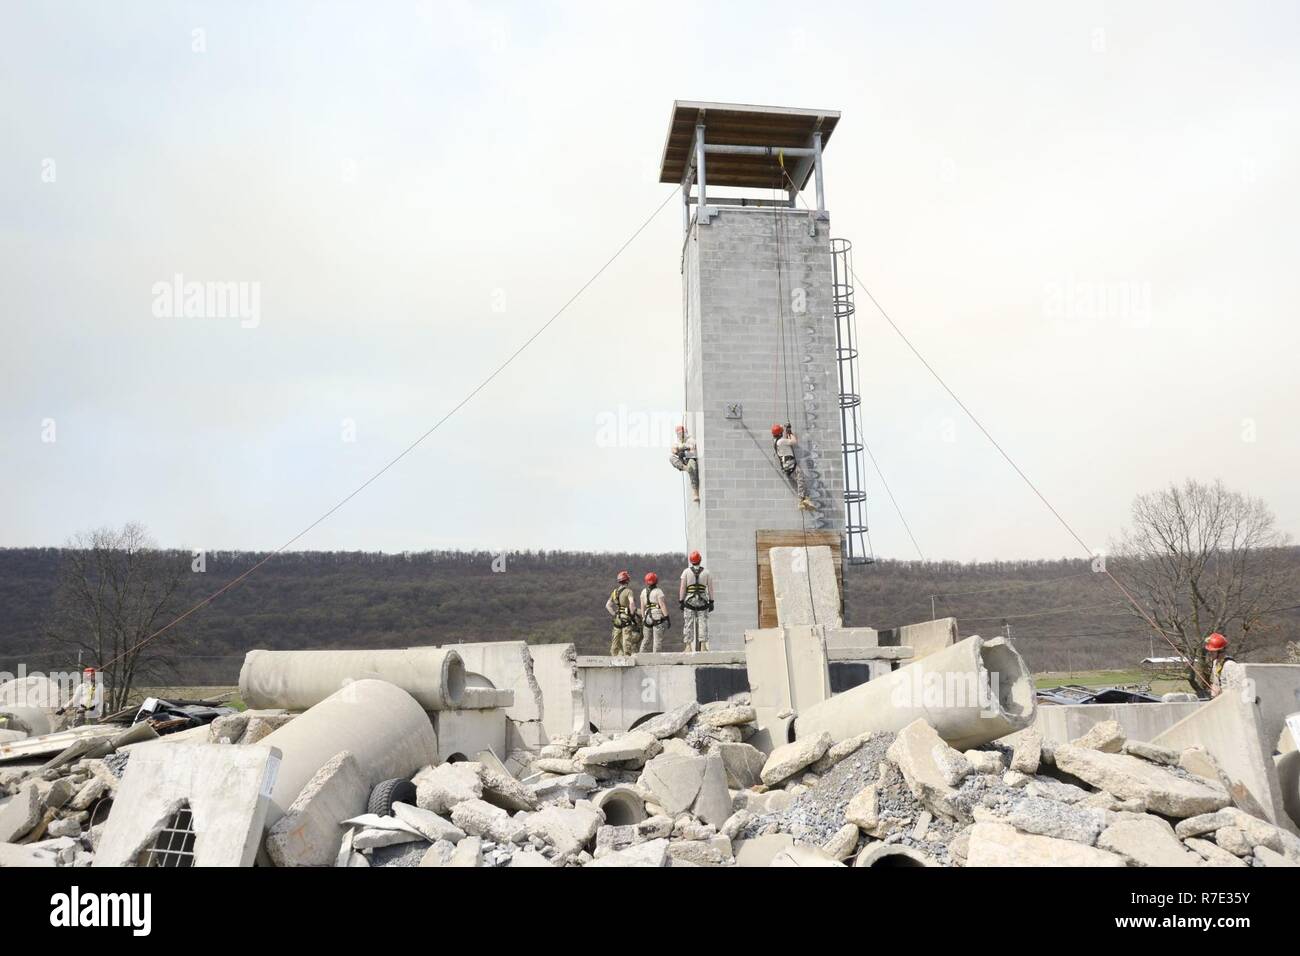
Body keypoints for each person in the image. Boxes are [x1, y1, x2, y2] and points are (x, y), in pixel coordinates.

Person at [772, 423, 815, 511]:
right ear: (780, 433)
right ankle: (802, 500)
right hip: (790, 465)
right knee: (800, 478)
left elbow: (788, 442)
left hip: (787, 465)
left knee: (801, 479)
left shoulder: (777, 442)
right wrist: (790, 432)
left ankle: (804, 499)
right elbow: (794, 442)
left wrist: (787, 433)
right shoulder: (781, 441)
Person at [678, 551, 714, 653]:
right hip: (703, 601)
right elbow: (710, 589)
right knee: (703, 623)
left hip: (689, 601)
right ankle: (703, 646)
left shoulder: (686, 572)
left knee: (688, 623)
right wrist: (711, 601)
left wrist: (681, 601)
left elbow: (682, 588)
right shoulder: (707, 572)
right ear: (700, 560)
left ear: (691, 560)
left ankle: (688, 646)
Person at [605, 570, 640, 656]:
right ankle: (627, 656)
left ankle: (614, 656)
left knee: (615, 639)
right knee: (626, 639)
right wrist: (632, 614)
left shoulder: (614, 592)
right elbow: (631, 603)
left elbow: (608, 605)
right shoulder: (628, 591)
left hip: (617, 618)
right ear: (627, 580)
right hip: (626, 618)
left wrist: (614, 614)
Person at [640, 572, 671, 653]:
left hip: (647, 616)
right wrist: (667, 617)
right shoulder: (658, 591)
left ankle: (641, 655)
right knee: (657, 640)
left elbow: (642, 606)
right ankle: (656, 657)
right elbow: (662, 605)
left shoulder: (643, 592)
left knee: (646, 639)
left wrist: (643, 618)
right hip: (657, 616)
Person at [670, 424, 700, 503]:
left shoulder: (690, 439)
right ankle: (685, 468)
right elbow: (673, 449)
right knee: (671, 458)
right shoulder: (678, 442)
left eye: (681, 433)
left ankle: (695, 493)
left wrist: (682, 448)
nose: (680, 435)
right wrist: (678, 450)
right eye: (678, 434)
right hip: (683, 462)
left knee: (692, 467)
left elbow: (691, 447)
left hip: (690, 459)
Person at [1203, 632, 1233, 699]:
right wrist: (1213, 696)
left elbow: (1235, 687)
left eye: (1212, 651)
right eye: (1209, 651)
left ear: (1220, 651)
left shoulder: (1230, 665)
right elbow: (1215, 683)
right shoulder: (1215, 663)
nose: (1209, 653)